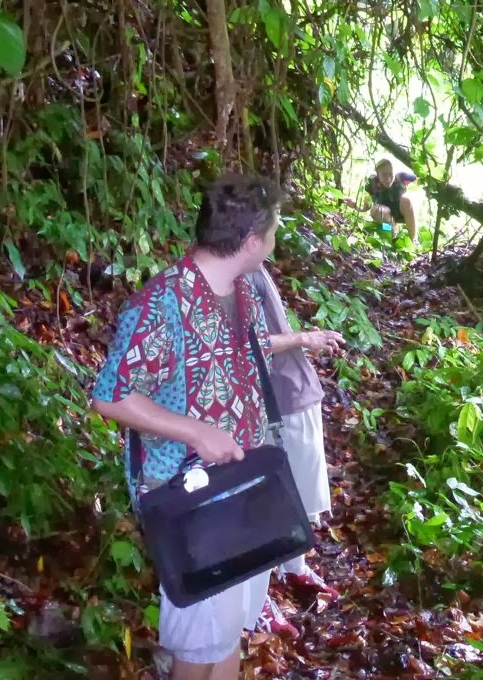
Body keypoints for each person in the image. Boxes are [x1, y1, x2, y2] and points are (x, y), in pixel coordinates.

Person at [89, 174, 283, 680]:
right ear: (251, 242)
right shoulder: (162, 304)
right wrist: (196, 431)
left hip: (242, 488)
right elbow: (110, 396)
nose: (277, 236)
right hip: (191, 497)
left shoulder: (246, 295)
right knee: (197, 645)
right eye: (275, 227)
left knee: (227, 631)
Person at [247, 265, 343, 638]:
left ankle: (294, 568)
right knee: (270, 505)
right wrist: (305, 338)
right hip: (270, 402)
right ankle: (257, 601)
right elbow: (246, 342)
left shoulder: (254, 265)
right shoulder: (233, 270)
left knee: (298, 496)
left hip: (292, 393)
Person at [358, 158, 417, 241]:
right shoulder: (372, 183)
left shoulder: (402, 177)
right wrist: (355, 205)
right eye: (384, 175)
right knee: (376, 209)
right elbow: (365, 206)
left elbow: (420, 178)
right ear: (378, 175)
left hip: (401, 212)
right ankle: (391, 236)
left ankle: (413, 240)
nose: (388, 179)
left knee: (406, 200)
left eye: (390, 174)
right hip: (384, 215)